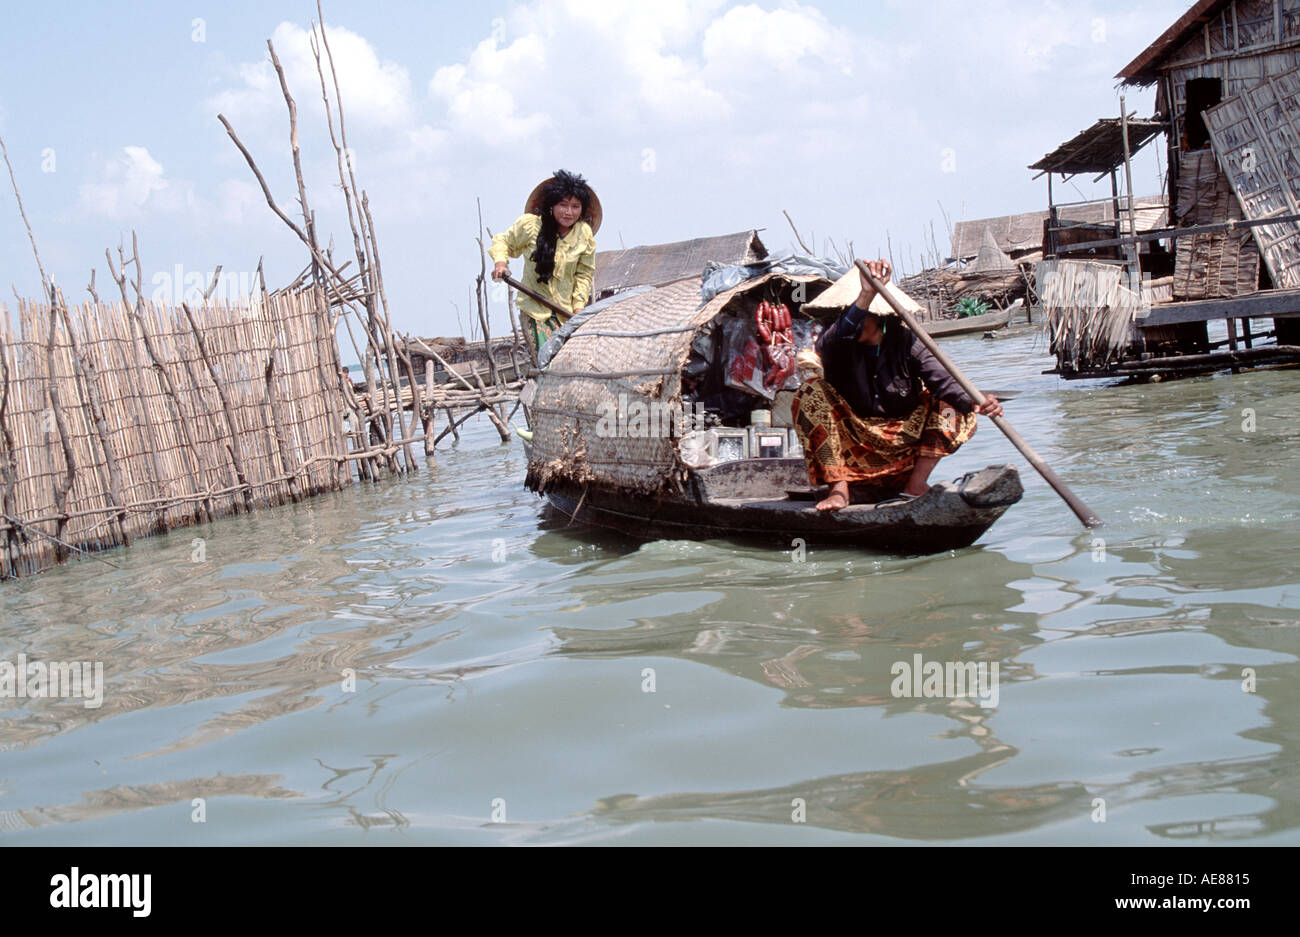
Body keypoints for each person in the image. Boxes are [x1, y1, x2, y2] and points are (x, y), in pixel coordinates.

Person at [793, 259, 1003, 512]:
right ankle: (839, 489)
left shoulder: (907, 342)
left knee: (953, 405)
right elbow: (838, 335)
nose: (849, 322)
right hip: (853, 436)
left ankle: (916, 483)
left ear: (880, 318)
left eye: (861, 315)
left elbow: (944, 382)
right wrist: (865, 297)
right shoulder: (836, 345)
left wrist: (977, 401)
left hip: (903, 437)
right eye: (847, 315)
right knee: (811, 392)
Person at [490, 169, 601, 351]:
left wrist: (579, 308)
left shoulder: (584, 233)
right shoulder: (531, 225)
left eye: (575, 206)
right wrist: (501, 263)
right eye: (563, 205)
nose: (568, 212)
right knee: (547, 360)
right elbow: (503, 241)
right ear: (551, 205)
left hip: (566, 313)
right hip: (535, 310)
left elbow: (584, 273)